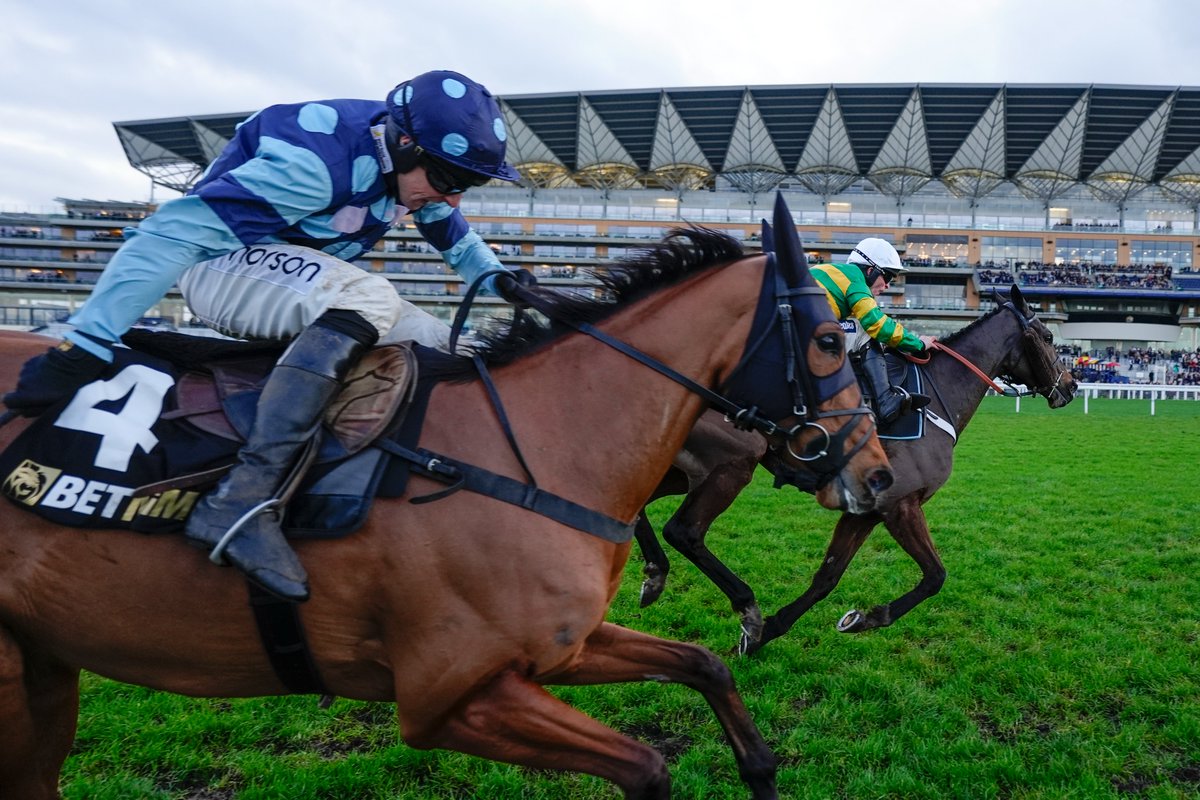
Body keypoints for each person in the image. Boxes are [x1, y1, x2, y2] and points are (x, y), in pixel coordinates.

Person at [3, 70, 534, 602]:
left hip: (290, 271)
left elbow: (454, 235)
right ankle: (242, 499)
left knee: (452, 346)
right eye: (448, 179)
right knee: (370, 297)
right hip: (218, 265)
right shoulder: (315, 165)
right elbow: (170, 233)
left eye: (466, 185)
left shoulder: (412, 163)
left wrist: (501, 280)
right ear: (404, 143)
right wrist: (85, 343)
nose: (453, 198)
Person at [810, 238, 935, 425]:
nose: (887, 285)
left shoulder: (835, 273)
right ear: (870, 271)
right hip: (806, 336)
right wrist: (918, 344)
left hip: (793, 331)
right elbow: (877, 324)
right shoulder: (855, 280)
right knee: (866, 330)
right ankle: (886, 400)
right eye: (888, 277)